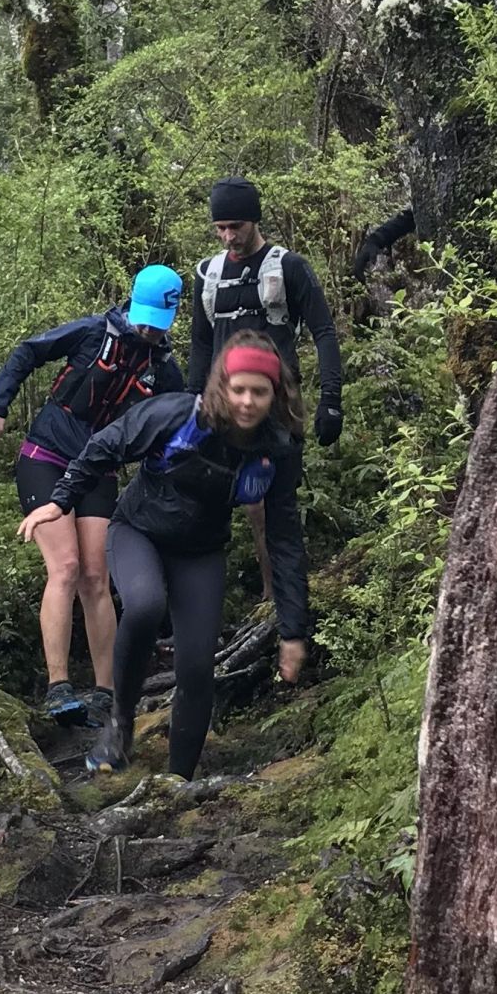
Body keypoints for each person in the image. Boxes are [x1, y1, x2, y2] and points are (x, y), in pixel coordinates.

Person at [18, 340, 307, 781]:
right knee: (146, 603)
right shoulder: (176, 415)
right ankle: (119, 723)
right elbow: (105, 446)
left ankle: (178, 782)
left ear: (275, 395)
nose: (247, 402)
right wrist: (60, 501)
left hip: (201, 552)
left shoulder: (277, 448)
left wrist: (292, 630)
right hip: (138, 532)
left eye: (259, 392)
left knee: (196, 667)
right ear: (221, 388)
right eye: (239, 390)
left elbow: (285, 538)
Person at [0, 266, 185, 720]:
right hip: (47, 455)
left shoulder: (163, 369)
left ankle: (106, 691)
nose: (148, 329)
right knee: (66, 567)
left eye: (157, 321)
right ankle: (58, 686)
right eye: (143, 318)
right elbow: (28, 352)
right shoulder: (94, 332)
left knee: (96, 575)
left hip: (98, 467)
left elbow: (179, 422)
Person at [191, 177, 342, 656]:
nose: (227, 237)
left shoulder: (287, 268)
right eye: (219, 228)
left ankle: (277, 601)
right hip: (220, 411)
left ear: (254, 218)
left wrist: (331, 399)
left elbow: (322, 330)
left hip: (276, 411)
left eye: (235, 225)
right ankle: (201, 613)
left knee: (269, 510)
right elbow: (200, 342)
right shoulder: (209, 276)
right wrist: (190, 403)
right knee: (205, 507)